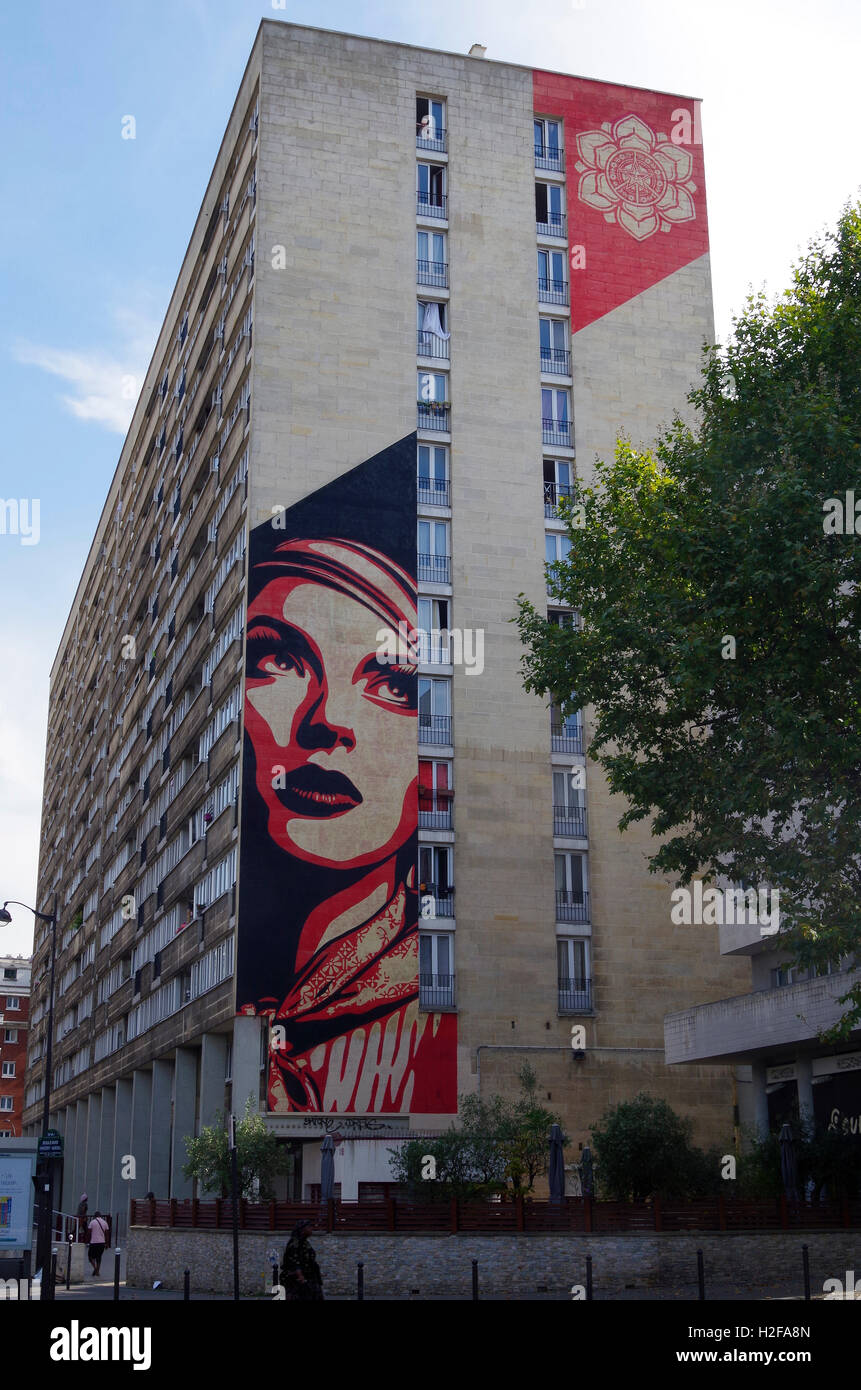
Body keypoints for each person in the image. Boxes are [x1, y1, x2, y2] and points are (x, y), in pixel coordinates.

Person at [237, 533, 456, 1115]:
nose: (326, 720)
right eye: (281, 660)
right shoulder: (249, 986)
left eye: (392, 685)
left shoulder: (427, 1004)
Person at [280, 1220, 323, 1301]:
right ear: (302, 1230)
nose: (311, 1229)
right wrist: (301, 1277)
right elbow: (294, 1262)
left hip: (310, 1278)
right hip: (297, 1282)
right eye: (309, 1227)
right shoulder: (295, 1243)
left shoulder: (305, 1242)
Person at [86, 1210, 109, 1276]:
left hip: (93, 1242)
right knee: (99, 1257)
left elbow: (89, 1233)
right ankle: (97, 1271)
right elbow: (107, 1234)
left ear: (95, 1216)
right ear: (100, 1216)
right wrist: (107, 1244)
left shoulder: (92, 1222)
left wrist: (87, 1241)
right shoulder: (105, 1222)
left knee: (90, 1257)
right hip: (102, 1243)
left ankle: (95, 1269)